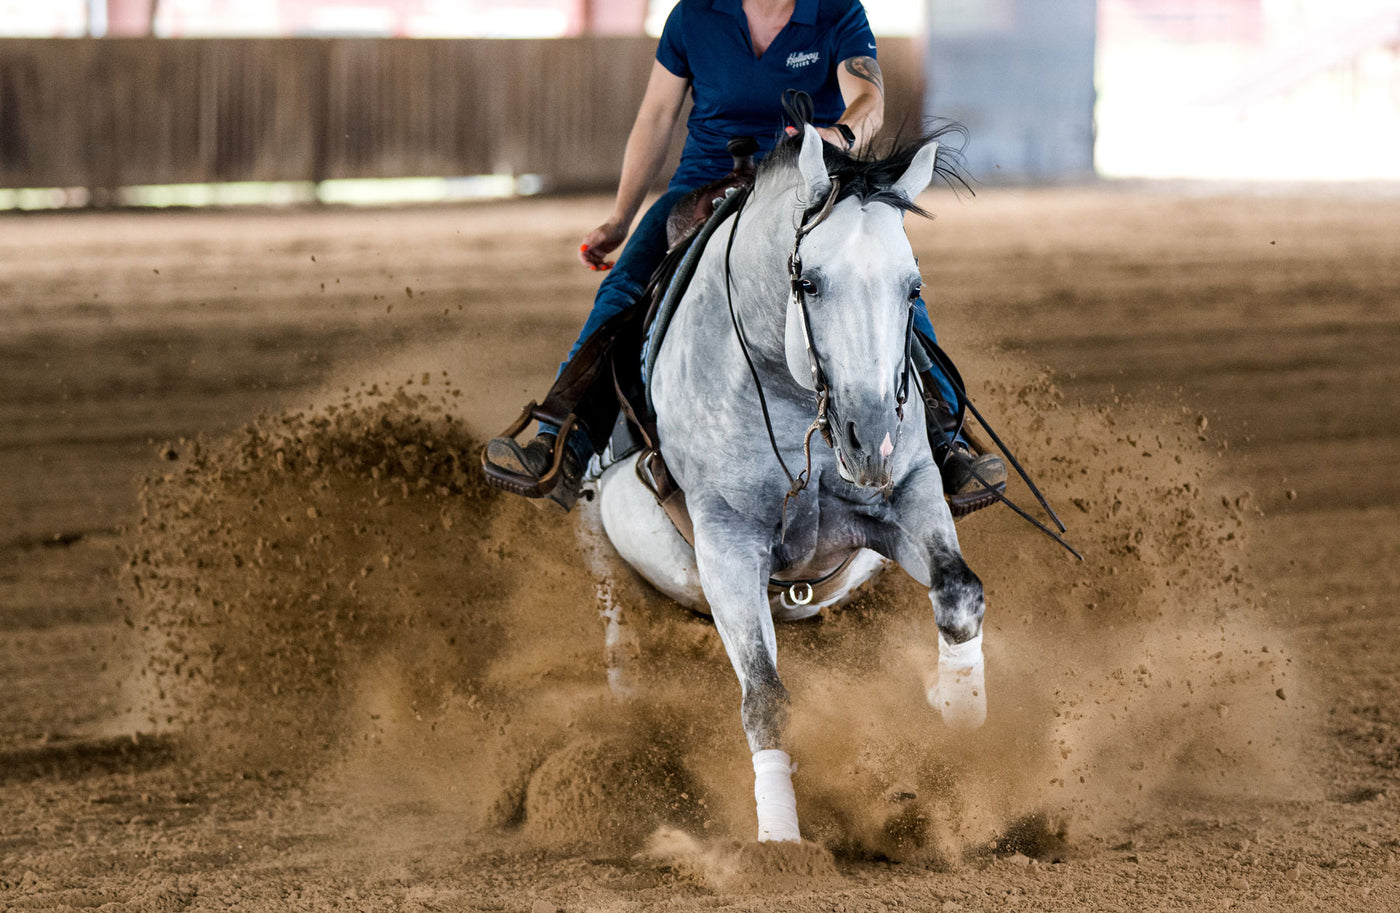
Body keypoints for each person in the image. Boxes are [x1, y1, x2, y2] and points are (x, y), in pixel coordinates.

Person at [484, 0, 1006, 513]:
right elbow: (656, 115)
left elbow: (868, 98)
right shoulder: (694, 15)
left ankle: (943, 441)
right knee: (623, 287)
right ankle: (562, 442)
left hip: (813, 189)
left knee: (886, 281)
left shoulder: (837, 11)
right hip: (704, 184)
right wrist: (620, 219)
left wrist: (835, 135)